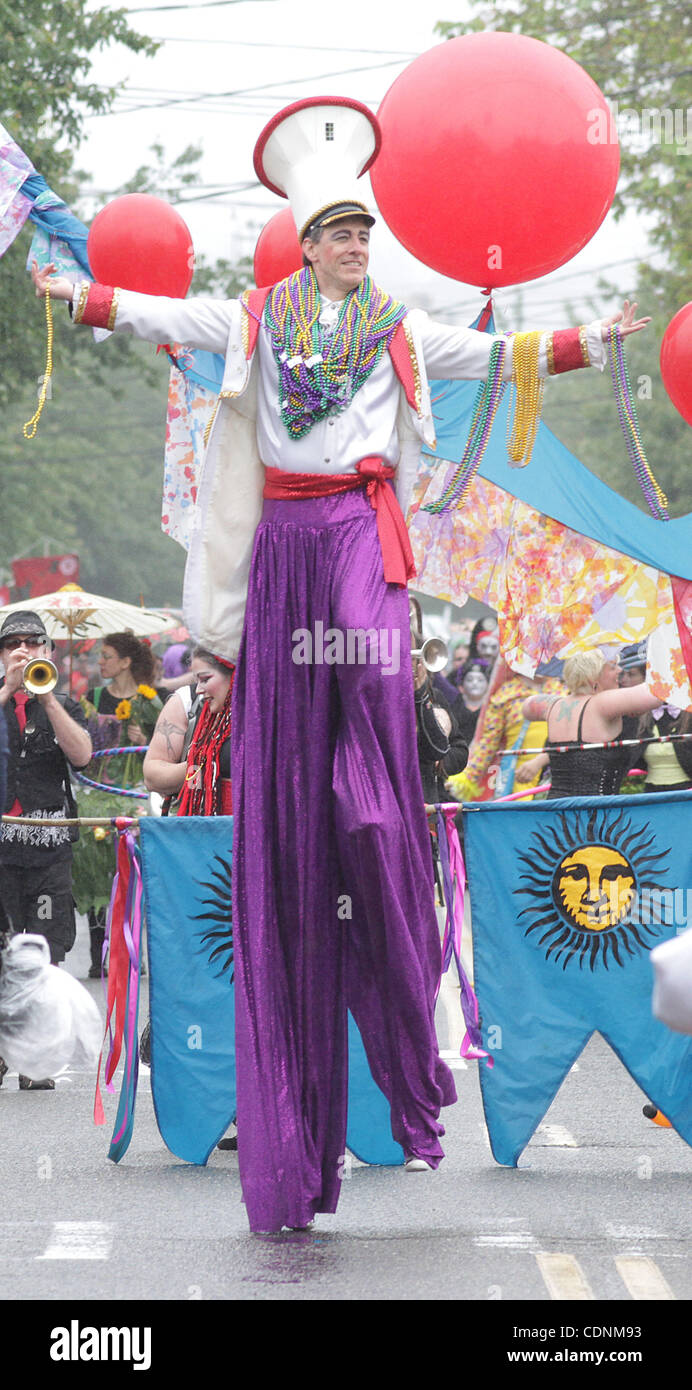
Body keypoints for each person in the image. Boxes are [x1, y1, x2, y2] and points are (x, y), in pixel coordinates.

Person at [31, 97, 651, 1232]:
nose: (359, 246)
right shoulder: (260, 318)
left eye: (367, 232)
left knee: (370, 755)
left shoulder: (399, 328)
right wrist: (89, 296)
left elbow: (498, 351)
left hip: (364, 543)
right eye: (342, 232)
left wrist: (586, 341)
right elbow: (166, 311)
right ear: (308, 241)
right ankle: (306, 866)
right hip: (283, 549)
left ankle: (379, 851)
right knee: (289, 789)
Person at [0, 610, 92, 1088]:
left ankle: (35, 1058)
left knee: (44, 951)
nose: (25, 650)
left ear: (49, 652)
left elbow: (82, 755)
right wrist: (6, 688)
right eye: (13, 644)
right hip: (0, 849)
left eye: (34, 643)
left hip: (47, 847)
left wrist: (46, 699)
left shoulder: (64, 704)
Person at [522, 649, 662, 798]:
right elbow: (657, 692)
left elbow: (527, 707)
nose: (620, 671)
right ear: (593, 676)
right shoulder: (602, 703)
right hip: (596, 812)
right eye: (613, 666)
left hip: (557, 809)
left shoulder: (554, 705)